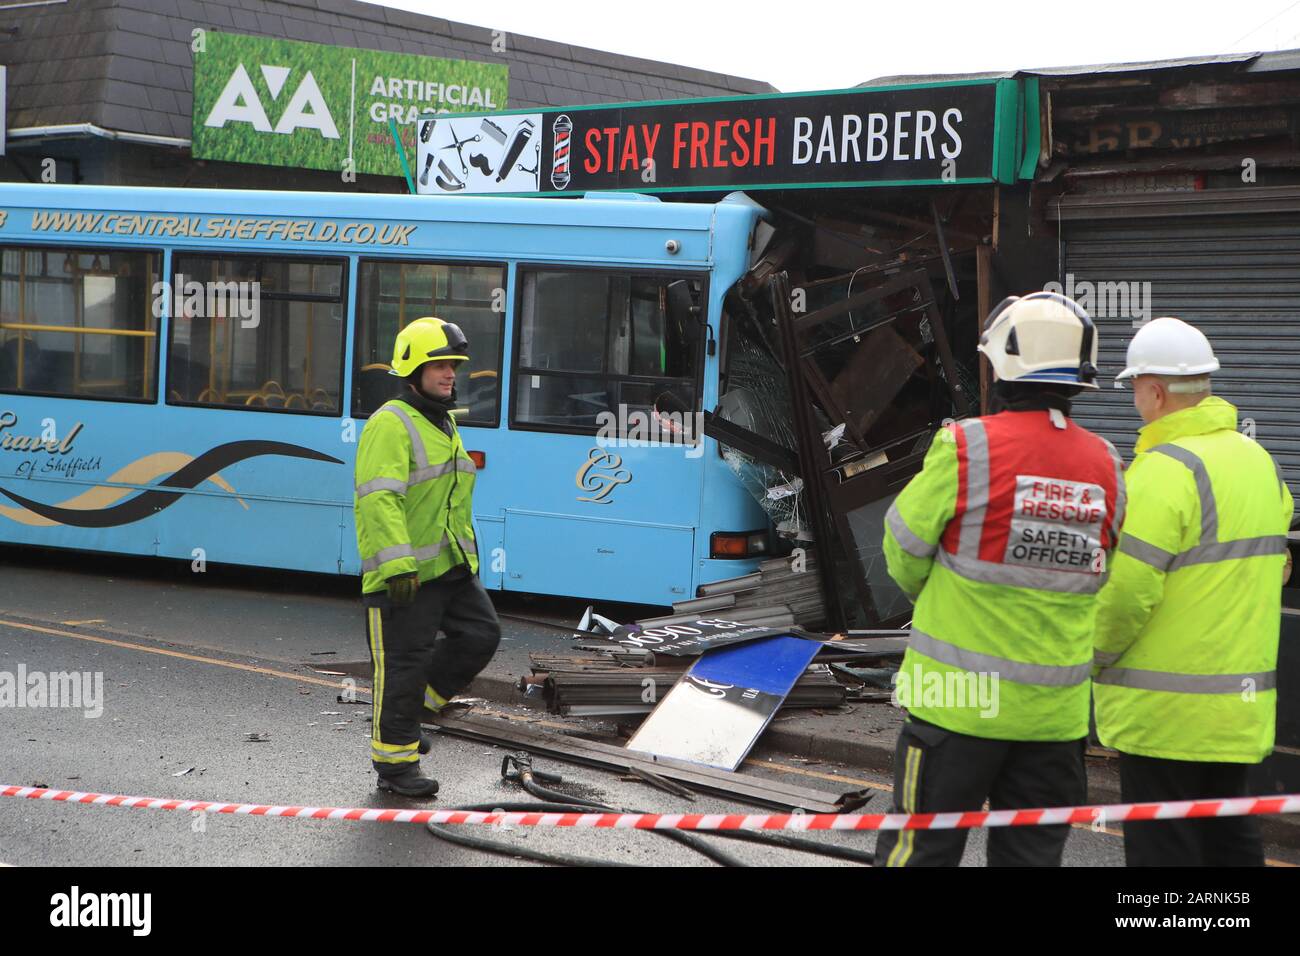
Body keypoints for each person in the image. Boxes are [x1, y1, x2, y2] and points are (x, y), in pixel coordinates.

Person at [876, 292, 1125, 867]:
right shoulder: (1107, 464)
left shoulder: (966, 445)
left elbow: (903, 547)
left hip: (956, 708)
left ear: (1006, 366)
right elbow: (1099, 569)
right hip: (1053, 720)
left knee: (921, 853)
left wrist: (938, 593)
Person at [1093, 317, 1292, 866]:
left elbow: (1124, 594)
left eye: (1134, 387)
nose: (1133, 399)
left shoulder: (1160, 473)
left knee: (1166, 864)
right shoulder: (1261, 464)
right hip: (1239, 710)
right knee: (1232, 848)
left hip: (1166, 718)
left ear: (1155, 392)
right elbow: (1275, 565)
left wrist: (1090, 658)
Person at [354, 317, 501, 798]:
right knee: (404, 665)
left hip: (449, 567)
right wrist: (397, 566)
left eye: (454, 366)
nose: (450, 374)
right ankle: (395, 766)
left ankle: (415, 713)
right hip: (407, 575)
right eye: (440, 365)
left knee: (480, 635)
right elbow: (379, 499)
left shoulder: (444, 421)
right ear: (413, 370)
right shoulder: (390, 423)